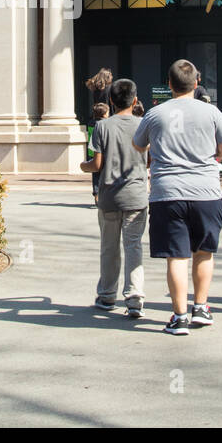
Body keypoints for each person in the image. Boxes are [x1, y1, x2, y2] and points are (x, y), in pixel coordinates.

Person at [132, 60, 222, 335]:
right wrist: (214, 156)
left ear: (169, 84)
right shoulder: (211, 112)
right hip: (206, 191)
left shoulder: (155, 114)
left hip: (168, 192)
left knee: (176, 257)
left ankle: (179, 317)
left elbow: (138, 144)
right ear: (197, 82)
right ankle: (200, 307)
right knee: (204, 252)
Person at [79, 79, 148, 318]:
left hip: (109, 196)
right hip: (137, 196)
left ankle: (108, 296)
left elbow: (96, 164)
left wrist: (82, 166)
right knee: (134, 246)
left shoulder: (102, 127)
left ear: (110, 100)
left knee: (109, 247)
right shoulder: (143, 125)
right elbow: (150, 160)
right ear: (135, 100)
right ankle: (134, 296)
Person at [87, 101, 110, 200]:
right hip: (102, 152)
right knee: (105, 172)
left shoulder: (91, 123)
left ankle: (96, 193)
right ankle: (104, 193)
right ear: (104, 114)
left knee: (95, 173)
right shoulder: (104, 124)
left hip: (91, 151)